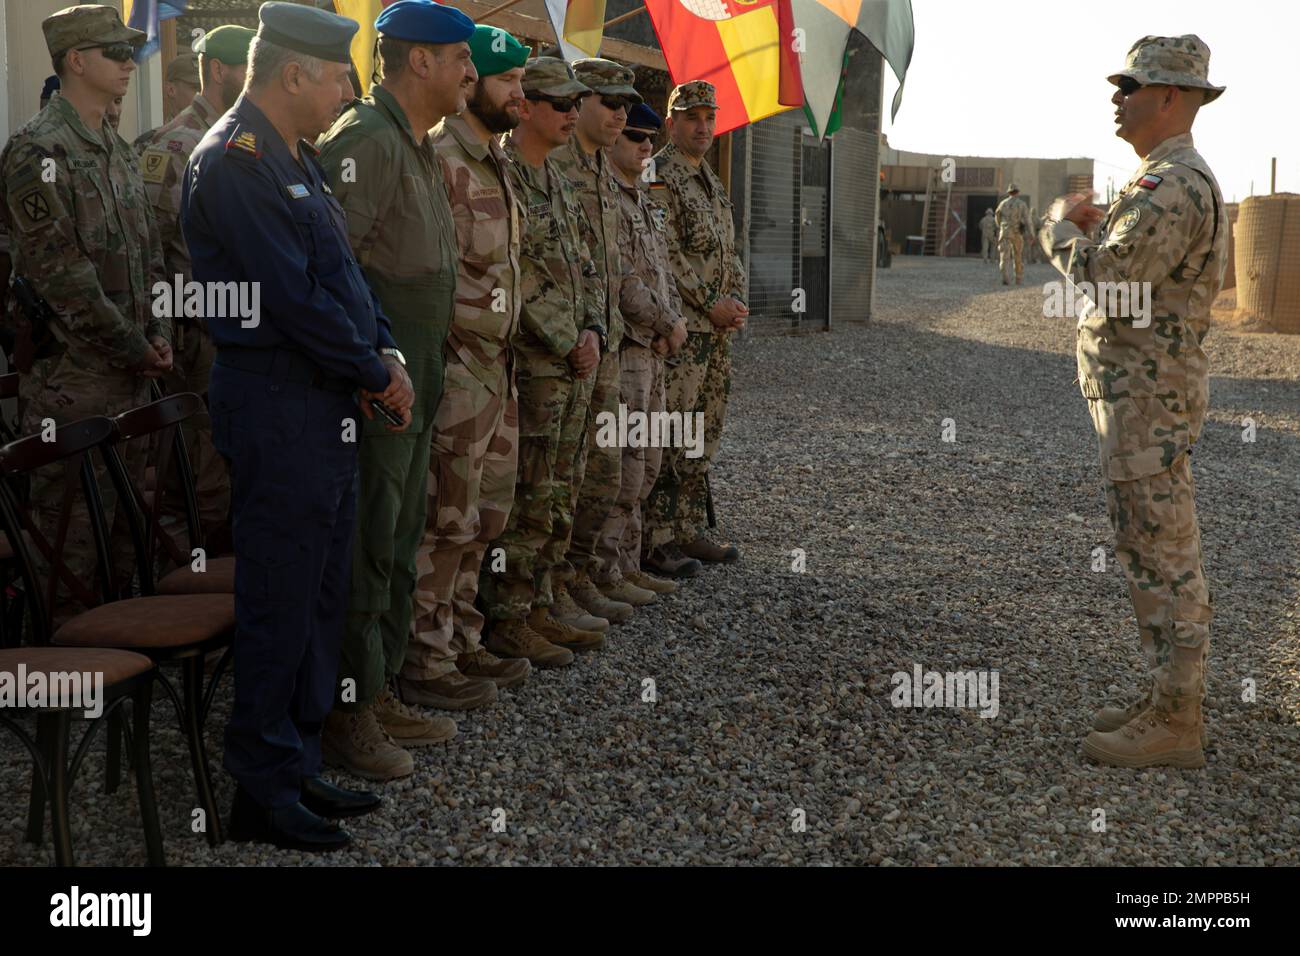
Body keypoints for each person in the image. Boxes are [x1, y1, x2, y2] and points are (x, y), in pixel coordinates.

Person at [182, 0, 415, 850]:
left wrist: (384, 349)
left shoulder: (296, 156)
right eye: (335, 78)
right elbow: (288, 298)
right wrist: (371, 369)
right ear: (292, 75)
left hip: (322, 405)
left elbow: (343, 277)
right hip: (280, 406)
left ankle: (299, 756)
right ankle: (260, 786)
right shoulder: (234, 162)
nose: (344, 92)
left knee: (322, 593)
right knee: (279, 595)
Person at [1040, 35, 1227, 769]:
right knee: (1148, 550)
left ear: (1173, 97)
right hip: (1139, 398)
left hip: (1149, 401)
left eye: (1132, 86)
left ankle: (1178, 721)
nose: (1117, 97)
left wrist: (1058, 231)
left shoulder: (1174, 184)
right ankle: (1166, 696)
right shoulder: (1159, 179)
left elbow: (1113, 277)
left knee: (1164, 556)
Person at [315, 0, 476, 781]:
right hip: (378, 379)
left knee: (402, 532)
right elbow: (330, 269)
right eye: (458, 60)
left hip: (417, 369)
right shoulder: (367, 142)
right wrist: (373, 363)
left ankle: (377, 688)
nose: (470, 74)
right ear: (420, 62)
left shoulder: (412, 144)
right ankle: (345, 713)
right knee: (368, 542)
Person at [0, 4, 171, 617]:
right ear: (76, 61)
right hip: (72, 381)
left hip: (131, 377)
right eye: (116, 53)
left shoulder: (117, 151)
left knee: (126, 532)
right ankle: (64, 691)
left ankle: (121, 677)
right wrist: (135, 345)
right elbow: (62, 278)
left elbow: (149, 257)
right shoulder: (37, 152)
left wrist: (159, 331)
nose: (130, 63)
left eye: (130, 52)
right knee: (68, 540)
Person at [401, 24, 528, 711]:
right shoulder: (440, 159)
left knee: (483, 519)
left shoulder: (496, 160)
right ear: (471, 79)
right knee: (443, 521)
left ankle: (462, 637)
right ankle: (425, 658)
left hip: (495, 369)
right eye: (509, 82)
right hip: (454, 370)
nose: (520, 96)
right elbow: (429, 276)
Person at [479, 56, 610, 665]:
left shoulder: (555, 179)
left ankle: (542, 598)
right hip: (536, 366)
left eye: (572, 104)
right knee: (529, 493)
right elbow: (516, 275)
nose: (569, 114)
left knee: (563, 488)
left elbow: (585, 266)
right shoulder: (504, 173)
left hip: (573, 365)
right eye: (559, 104)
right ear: (525, 106)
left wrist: (592, 332)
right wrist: (566, 340)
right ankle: (507, 615)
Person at [136, 23, 255, 552]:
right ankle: (182, 595)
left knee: (230, 475)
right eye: (245, 70)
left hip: (241, 333)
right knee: (200, 482)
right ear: (216, 72)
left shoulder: (246, 138)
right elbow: (152, 254)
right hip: (198, 338)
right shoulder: (178, 144)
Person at [642, 80, 746, 576]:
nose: (702, 126)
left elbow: (727, 250)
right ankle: (657, 538)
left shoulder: (709, 178)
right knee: (672, 428)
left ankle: (687, 527)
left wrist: (738, 300)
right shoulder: (659, 174)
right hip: (686, 329)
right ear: (672, 123)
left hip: (717, 334)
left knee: (703, 432)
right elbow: (665, 253)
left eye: (709, 117)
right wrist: (710, 303)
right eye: (691, 117)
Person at [551, 57, 642, 626]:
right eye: (609, 102)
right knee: (557, 479)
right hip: (566, 348)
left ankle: (578, 576)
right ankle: (544, 594)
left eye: (624, 105)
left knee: (601, 474)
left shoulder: (604, 170)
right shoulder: (554, 166)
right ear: (578, 101)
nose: (620, 114)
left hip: (603, 342)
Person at [598, 101, 688, 605]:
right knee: (624, 467)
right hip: (628, 349)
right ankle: (605, 572)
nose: (645, 146)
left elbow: (662, 272)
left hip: (653, 348)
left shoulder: (642, 199)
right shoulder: (604, 198)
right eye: (635, 137)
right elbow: (623, 282)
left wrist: (670, 324)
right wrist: (666, 323)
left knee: (648, 464)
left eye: (649, 139)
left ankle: (628, 566)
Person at [995, 183, 1031, 285]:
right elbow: (1028, 220)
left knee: (1004, 256)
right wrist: (1031, 233)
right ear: (1018, 192)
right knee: (1017, 255)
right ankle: (1018, 278)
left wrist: (1000, 226)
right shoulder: (1022, 204)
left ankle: (1005, 277)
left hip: (1005, 232)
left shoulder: (1002, 204)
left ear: (1009, 192)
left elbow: (997, 217)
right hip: (1016, 232)